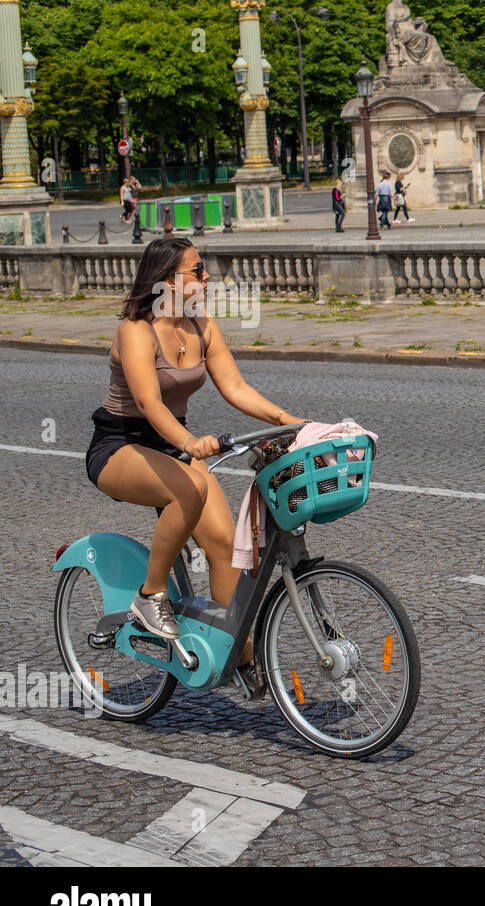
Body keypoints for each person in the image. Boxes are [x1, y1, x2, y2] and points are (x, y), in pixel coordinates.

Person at [84, 237, 306, 697]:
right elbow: (147, 402)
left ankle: (234, 652)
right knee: (188, 490)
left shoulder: (201, 323)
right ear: (167, 280)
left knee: (228, 545)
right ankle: (150, 598)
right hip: (120, 446)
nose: (207, 279)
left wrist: (292, 423)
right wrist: (187, 441)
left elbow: (236, 387)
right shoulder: (135, 329)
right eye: (197, 271)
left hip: (173, 448)